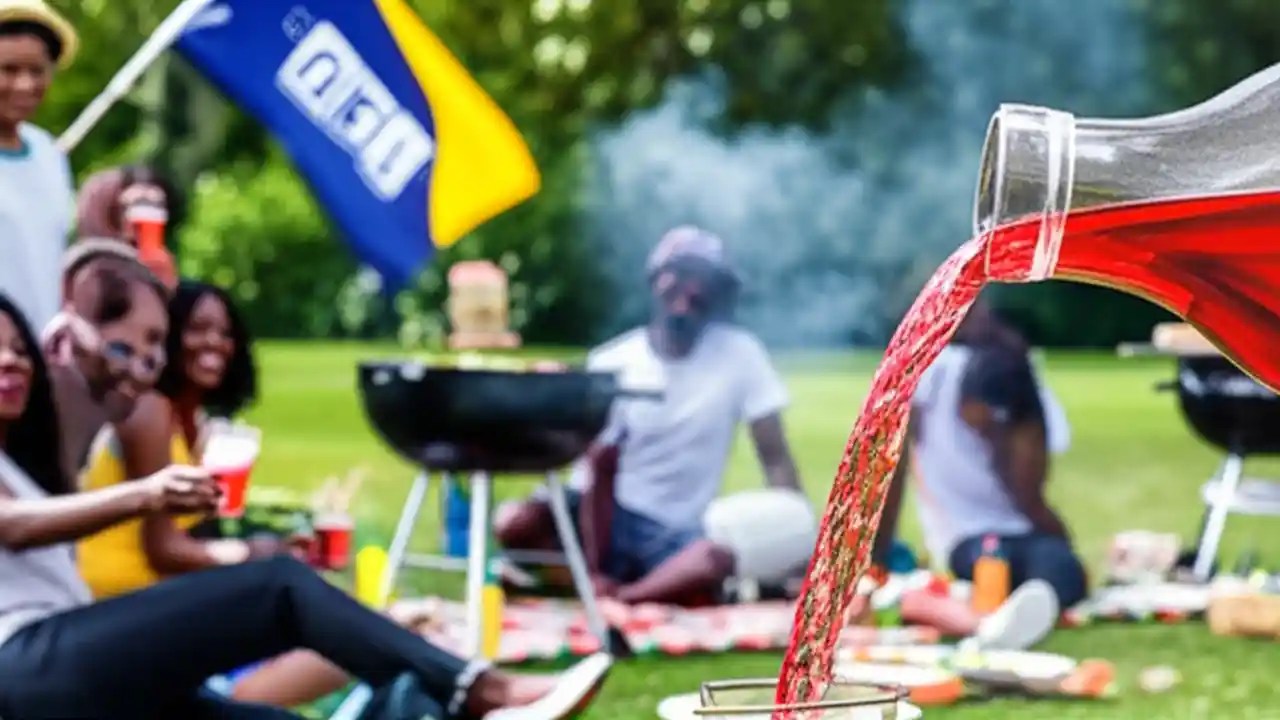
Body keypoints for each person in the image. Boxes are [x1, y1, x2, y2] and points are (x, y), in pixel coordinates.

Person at [0, 292, 612, 719]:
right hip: (22, 663)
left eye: (16, 348)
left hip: (73, 666)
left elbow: (100, 385)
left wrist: (88, 342)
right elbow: (14, 527)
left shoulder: (27, 458)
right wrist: (148, 493)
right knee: (277, 588)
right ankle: (485, 689)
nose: (10, 360)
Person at [497, 226, 805, 605]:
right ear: (656, 280)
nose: (691, 290)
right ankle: (597, 582)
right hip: (602, 516)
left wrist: (794, 529)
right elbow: (600, 471)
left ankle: (623, 595)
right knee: (514, 522)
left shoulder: (742, 355)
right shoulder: (613, 362)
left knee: (715, 558)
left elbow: (775, 456)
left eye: (702, 279)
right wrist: (597, 567)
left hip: (678, 530)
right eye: (680, 274)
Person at [869, 299, 1085, 649]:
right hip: (966, 540)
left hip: (1024, 537)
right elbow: (888, 460)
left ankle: (1009, 617)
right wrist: (876, 555)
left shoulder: (1015, 375)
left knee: (1058, 566)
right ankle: (986, 624)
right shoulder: (936, 374)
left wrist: (1059, 538)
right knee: (992, 560)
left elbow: (1029, 490)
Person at [78, 280, 263, 598]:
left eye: (225, 333)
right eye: (197, 328)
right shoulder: (149, 409)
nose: (214, 342)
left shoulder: (198, 425)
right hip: (111, 595)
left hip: (158, 594)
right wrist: (251, 552)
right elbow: (163, 549)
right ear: (169, 336)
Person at [0, 0, 77, 334]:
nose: (25, 85)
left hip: (40, 357)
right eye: (9, 70)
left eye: (37, 71)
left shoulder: (48, 152)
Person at [75, 164, 180, 286]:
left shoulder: (160, 263)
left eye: (158, 205)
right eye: (135, 204)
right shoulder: (90, 269)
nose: (145, 211)